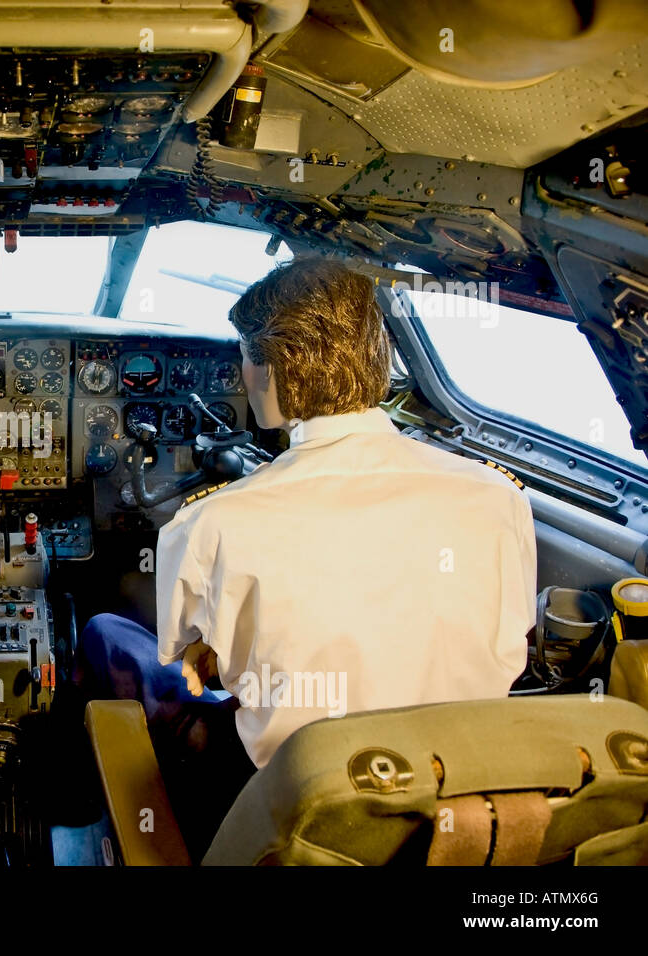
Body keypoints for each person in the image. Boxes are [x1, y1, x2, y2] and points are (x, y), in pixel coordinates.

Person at [73, 258, 536, 856]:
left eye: (245, 354)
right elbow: (506, 641)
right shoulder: (499, 499)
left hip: (289, 808)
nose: (241, 374)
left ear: (274, 369)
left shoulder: (215, 521)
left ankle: (77, 811)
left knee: (109, 632)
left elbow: (189, 658)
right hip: (458, 804)